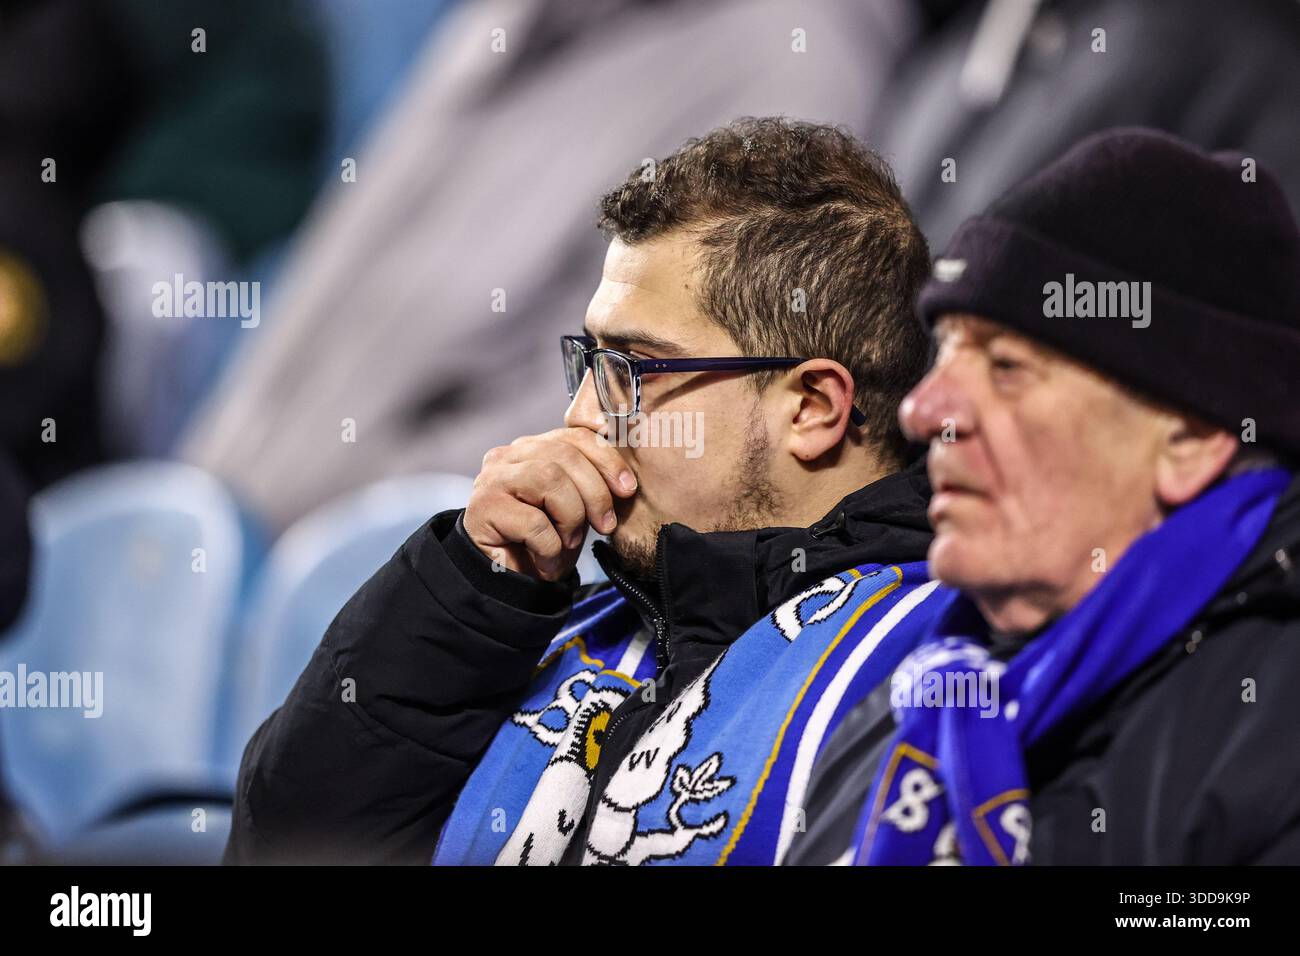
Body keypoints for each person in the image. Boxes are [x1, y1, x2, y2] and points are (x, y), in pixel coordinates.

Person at [225, 117, 948, 865]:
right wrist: (468, 601)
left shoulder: (932, 671)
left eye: (634, 372)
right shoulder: (548, 620)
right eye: (590, 364)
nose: (581, 418)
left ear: (812, 409)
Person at [788, 128, 1300, 866]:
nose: (922, 411)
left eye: (1005, 366)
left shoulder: (1271, 731)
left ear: (1186, 440)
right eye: (945, 356)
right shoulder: (914, 695)